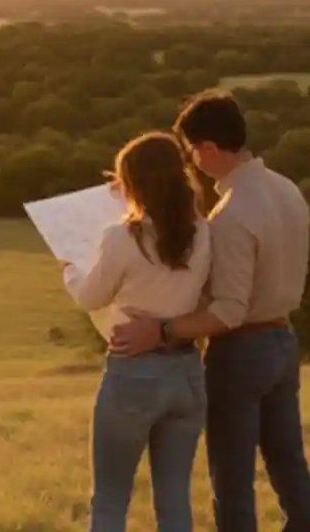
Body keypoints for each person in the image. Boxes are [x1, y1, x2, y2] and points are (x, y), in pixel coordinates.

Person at [109, 92, 310, 532]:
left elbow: (227, 311)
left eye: (191, 152)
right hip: (285, 341)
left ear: (207, 149)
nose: (190, 162)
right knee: (288, 462)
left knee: (233, 477)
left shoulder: (232, 215)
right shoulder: (288, 190)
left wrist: (162, 330)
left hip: (242, 350)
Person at [62, 131, 211, 532]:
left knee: (110, 500)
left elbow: (90, 298)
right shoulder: (202, 232)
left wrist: (70, 271)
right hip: (187, 371)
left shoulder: (122, 237)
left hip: (134, 374)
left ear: (134, 184)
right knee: (174, 499)